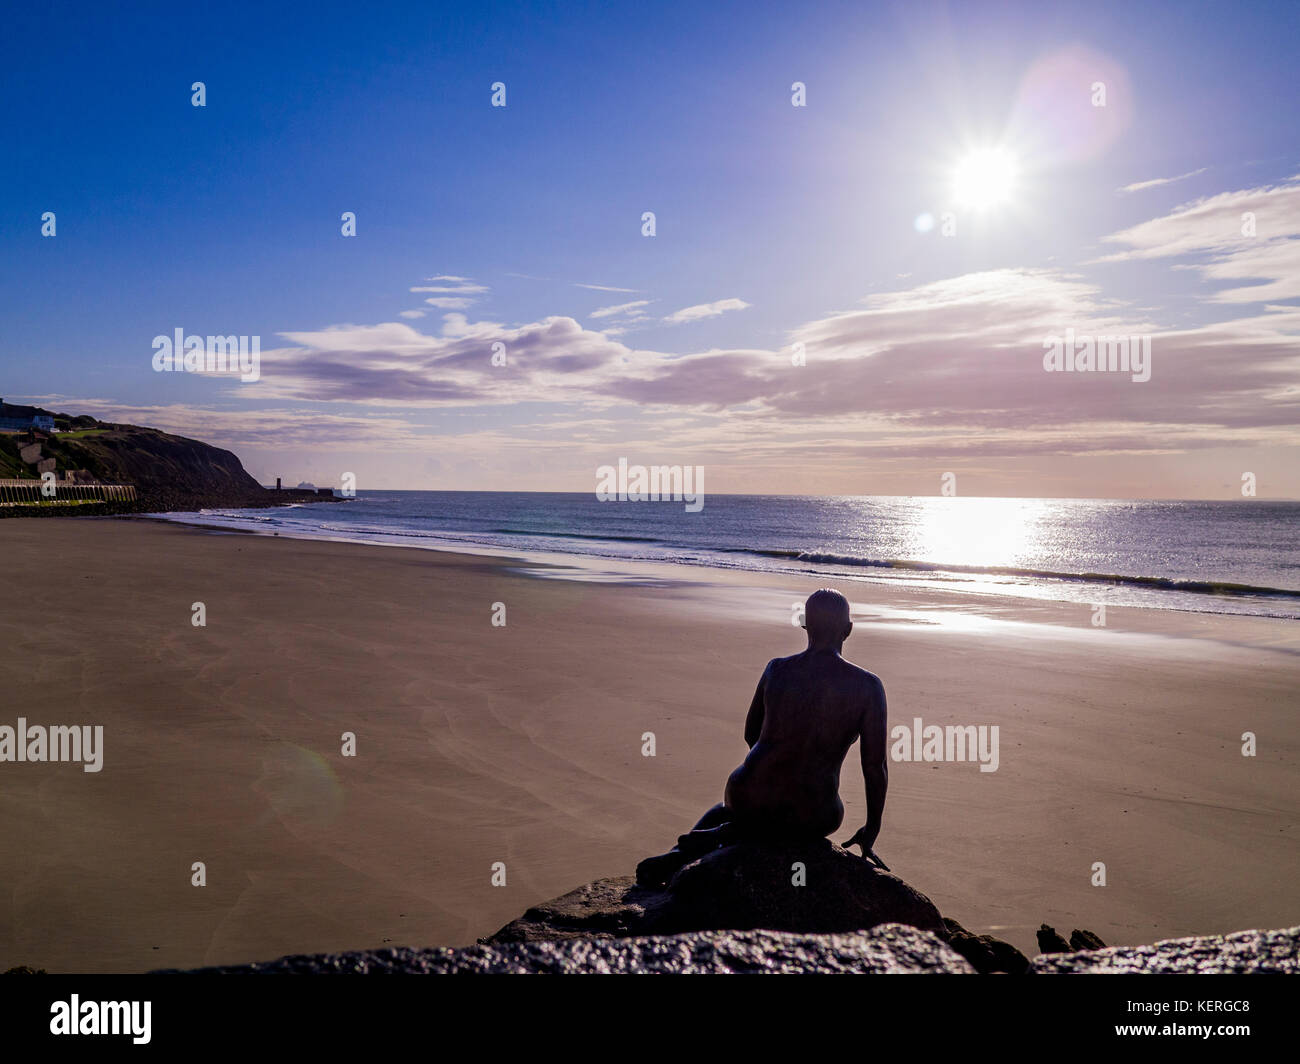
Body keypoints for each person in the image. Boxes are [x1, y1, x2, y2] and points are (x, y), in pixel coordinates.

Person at [636, 588, 889, 887]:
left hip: (746, 794)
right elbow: (874, 768)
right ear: (848, 629)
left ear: (804, 624)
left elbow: (751, 734)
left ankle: (685, 851)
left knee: (725, 810)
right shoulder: (868, 687)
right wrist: (871, 829)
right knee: (808, 814)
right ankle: (733, 832)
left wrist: (774, 772)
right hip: (813, 811)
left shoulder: (776, 669)